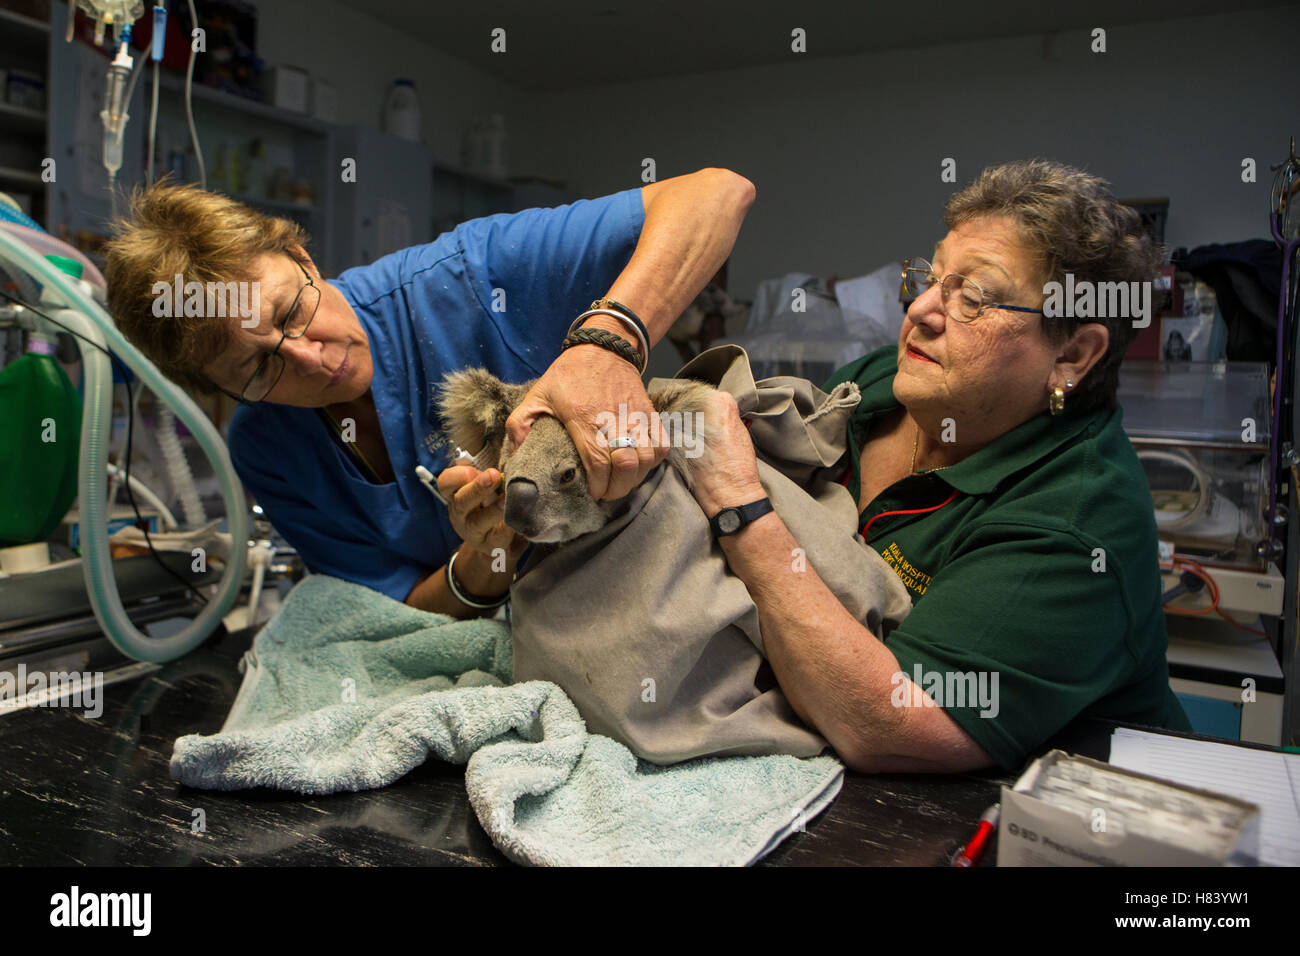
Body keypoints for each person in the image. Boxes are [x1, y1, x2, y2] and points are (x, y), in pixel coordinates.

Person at [685, 159, 1192, 774]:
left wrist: (739, 504)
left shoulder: (1076, 521)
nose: (921, 309)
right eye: (931, 276)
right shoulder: (879, 386)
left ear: (1072, 353)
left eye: (974, 297)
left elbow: (892, 723)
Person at [103, 169, 755, 616]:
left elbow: (717, 194)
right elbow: (399, 610)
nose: (310, 358)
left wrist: (609, 342)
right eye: (258, 370)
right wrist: (488, 553)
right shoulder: (268, 448)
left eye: (290, 310)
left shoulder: (473, 274)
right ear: (221, 392)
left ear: (301, 256)